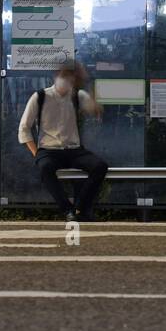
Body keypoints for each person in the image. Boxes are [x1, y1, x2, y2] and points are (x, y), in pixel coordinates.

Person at [17, 61, 107, 221]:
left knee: (100, 166)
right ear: (58, 77)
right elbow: (24, 127)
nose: (68, 83)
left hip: (74, 149)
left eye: (72, 79)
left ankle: (79, 209)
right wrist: (36, 153)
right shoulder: (40, 96)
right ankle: (68, 210)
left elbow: (96, 110)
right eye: (66, 77)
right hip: (48, 149)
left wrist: (93, 96)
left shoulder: (78, 96)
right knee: (45, 168)